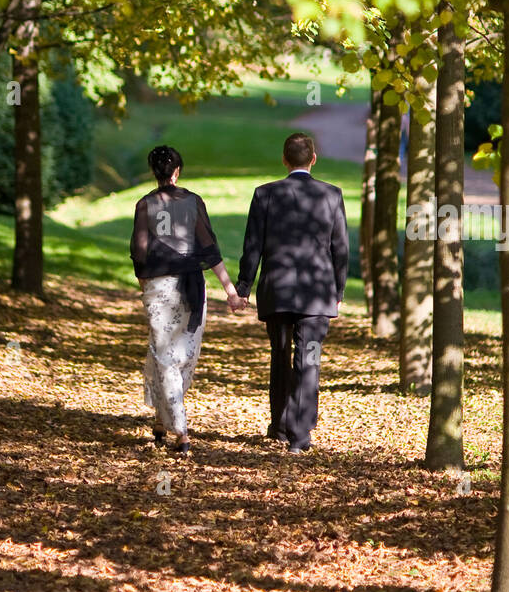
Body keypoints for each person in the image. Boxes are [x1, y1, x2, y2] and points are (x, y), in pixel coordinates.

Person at [235, 132, 349, 454]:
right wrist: (338, 290)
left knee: (280, 356)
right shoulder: (331, 195)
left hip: (278, 292)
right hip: (316, 294)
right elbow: (340, 249)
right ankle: (300, 435)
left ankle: (281, 426)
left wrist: (244, 287)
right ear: (313, 159)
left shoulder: (265, 194)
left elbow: (252, 248)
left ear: (284, 160)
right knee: (309, 361)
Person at [131, 144, 246, 455]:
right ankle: (181, 431)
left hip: (158, 287)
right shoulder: (194, 202)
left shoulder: (144, 205)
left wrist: (146, 285)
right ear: (177, 172)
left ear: (154, 173)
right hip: (193, 286)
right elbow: (210, 250)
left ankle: (160, 419)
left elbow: (139, 254)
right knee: (179, 357)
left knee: (165, 355)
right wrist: (230, 291)